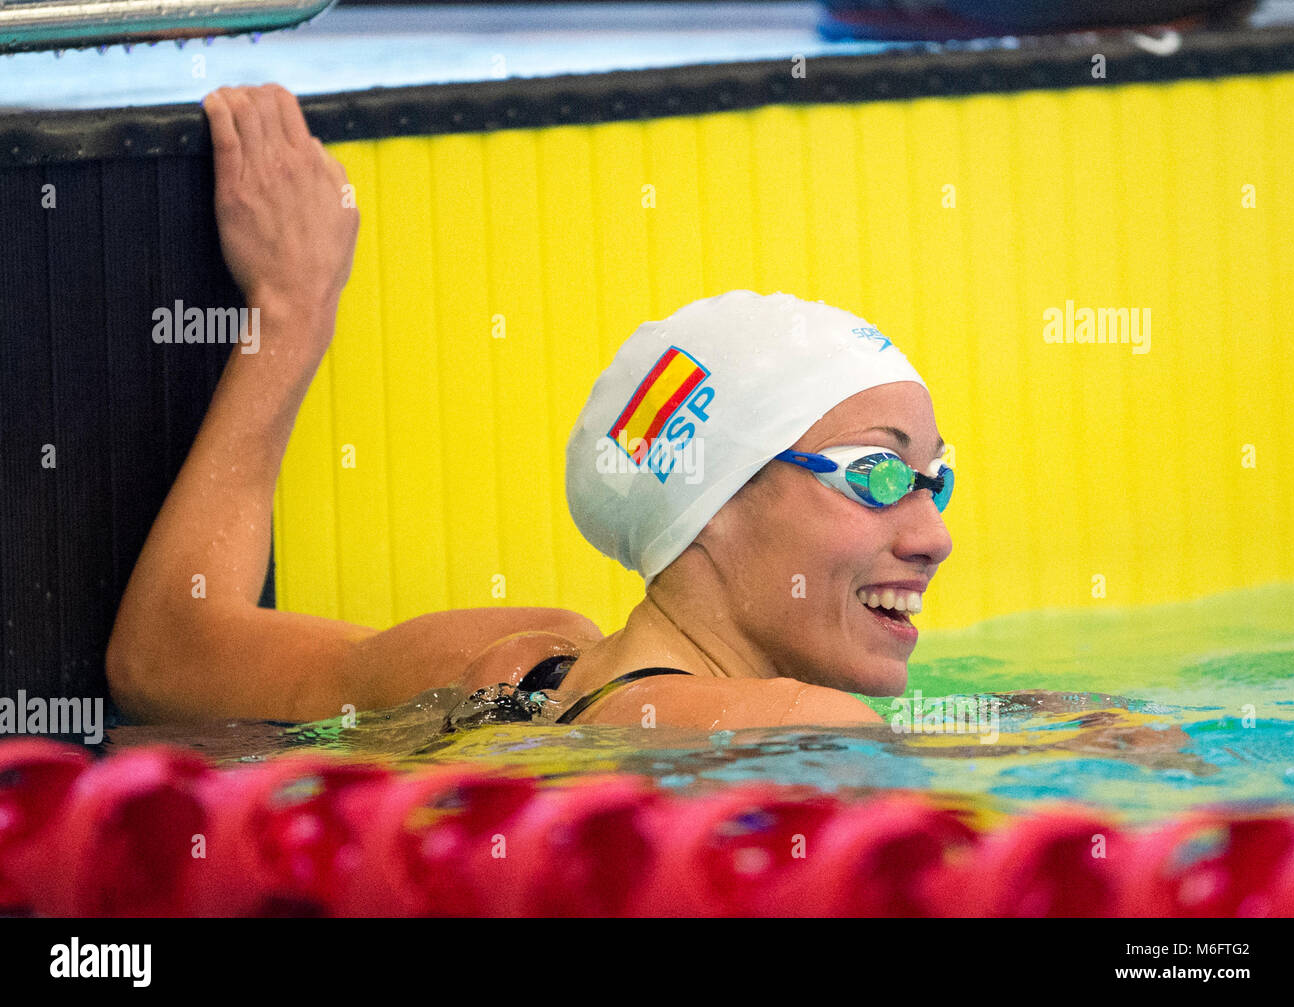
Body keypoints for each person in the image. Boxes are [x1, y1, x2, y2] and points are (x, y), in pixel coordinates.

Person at [105, 84, 952, 731]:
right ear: (709, 505)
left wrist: (292, 306)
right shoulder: (806, 730)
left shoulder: (508, 669)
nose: (933, 536)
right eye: (875, 473)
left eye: (934, 479)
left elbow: (165, 653)